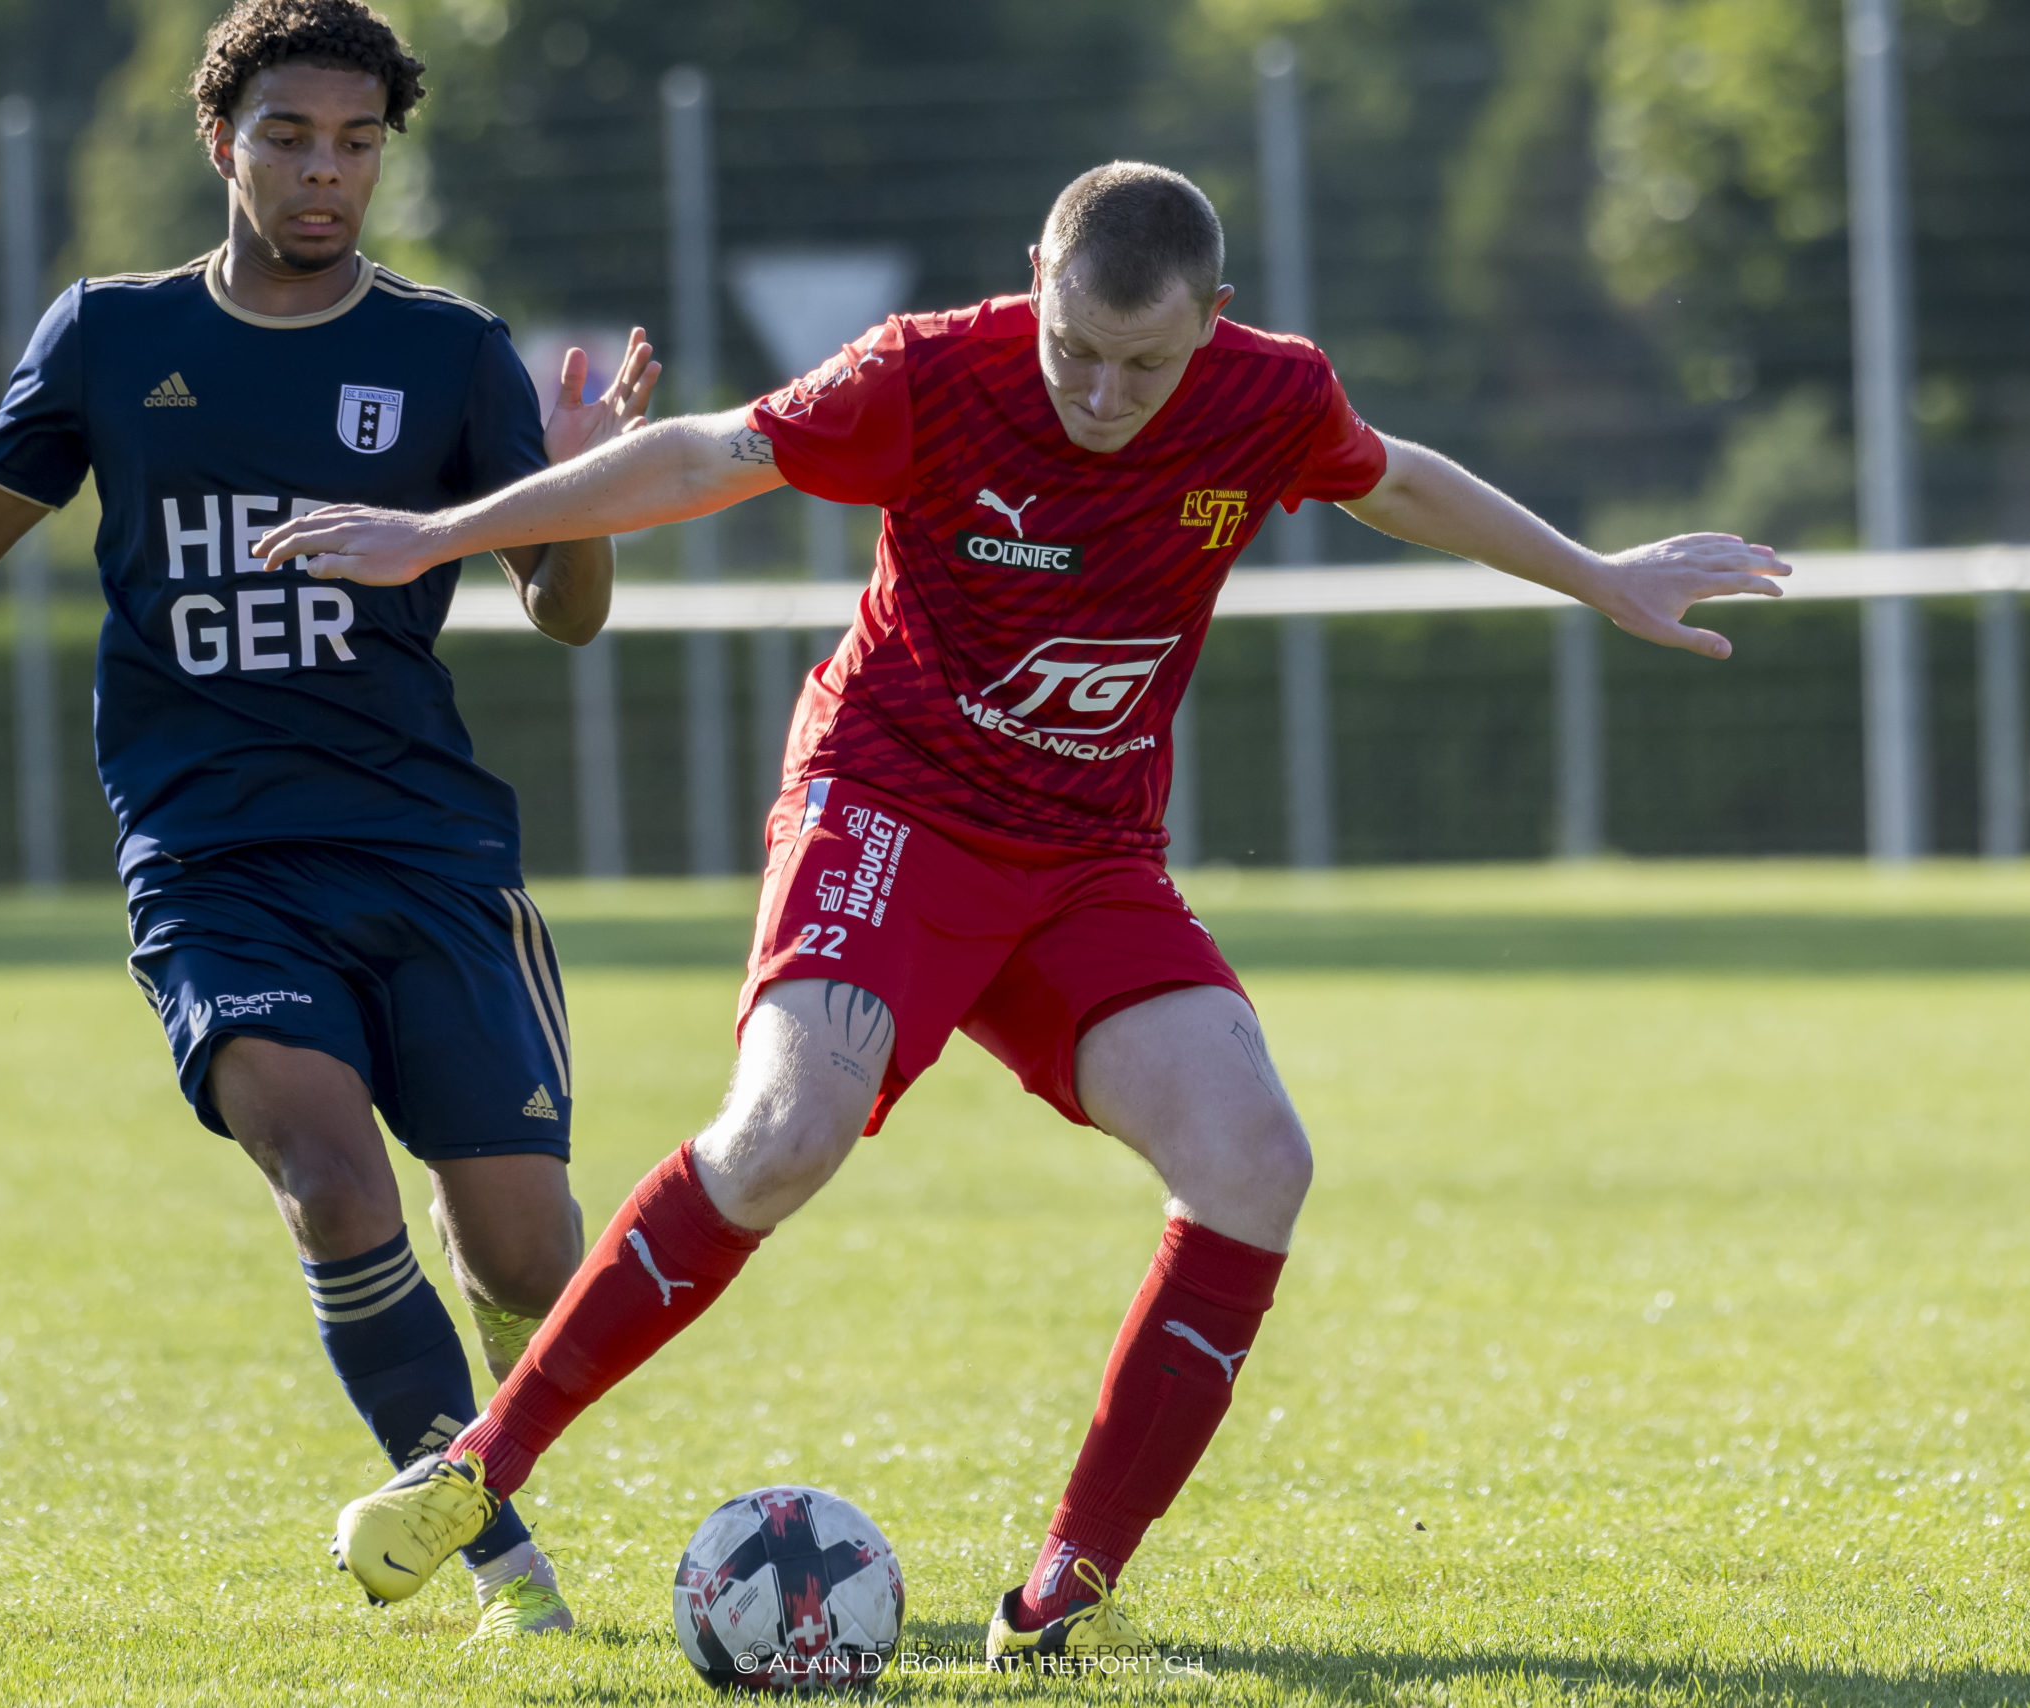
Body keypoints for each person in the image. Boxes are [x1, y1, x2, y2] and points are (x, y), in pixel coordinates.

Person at [261, 160, 1787, 1665]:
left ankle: (1066, 1588)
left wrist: (1595, 573)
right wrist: (439, 535)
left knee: (1258, 1162)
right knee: (785, 1132)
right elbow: (705, 454)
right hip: (889, 811)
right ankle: (478, 1471)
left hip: (1088, 860)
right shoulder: (929, 374)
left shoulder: (1270, 396)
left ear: (1214, 325)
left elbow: (1392, 478)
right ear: (1034, 283)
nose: (1105, 394)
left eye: (1146, 363)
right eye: (1077, 349)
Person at [0, 0, 657, 1645]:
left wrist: (586, 492)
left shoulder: (449, 351)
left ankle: (499, 1360)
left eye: (358, 143)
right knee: (322, 1168)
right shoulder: (107, 333)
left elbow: (563, 614)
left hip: (427, 853)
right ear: (220, 139)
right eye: (291, 136)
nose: (325, 173)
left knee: (524, 1254)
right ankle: (500, 1556)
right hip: (213, 854)